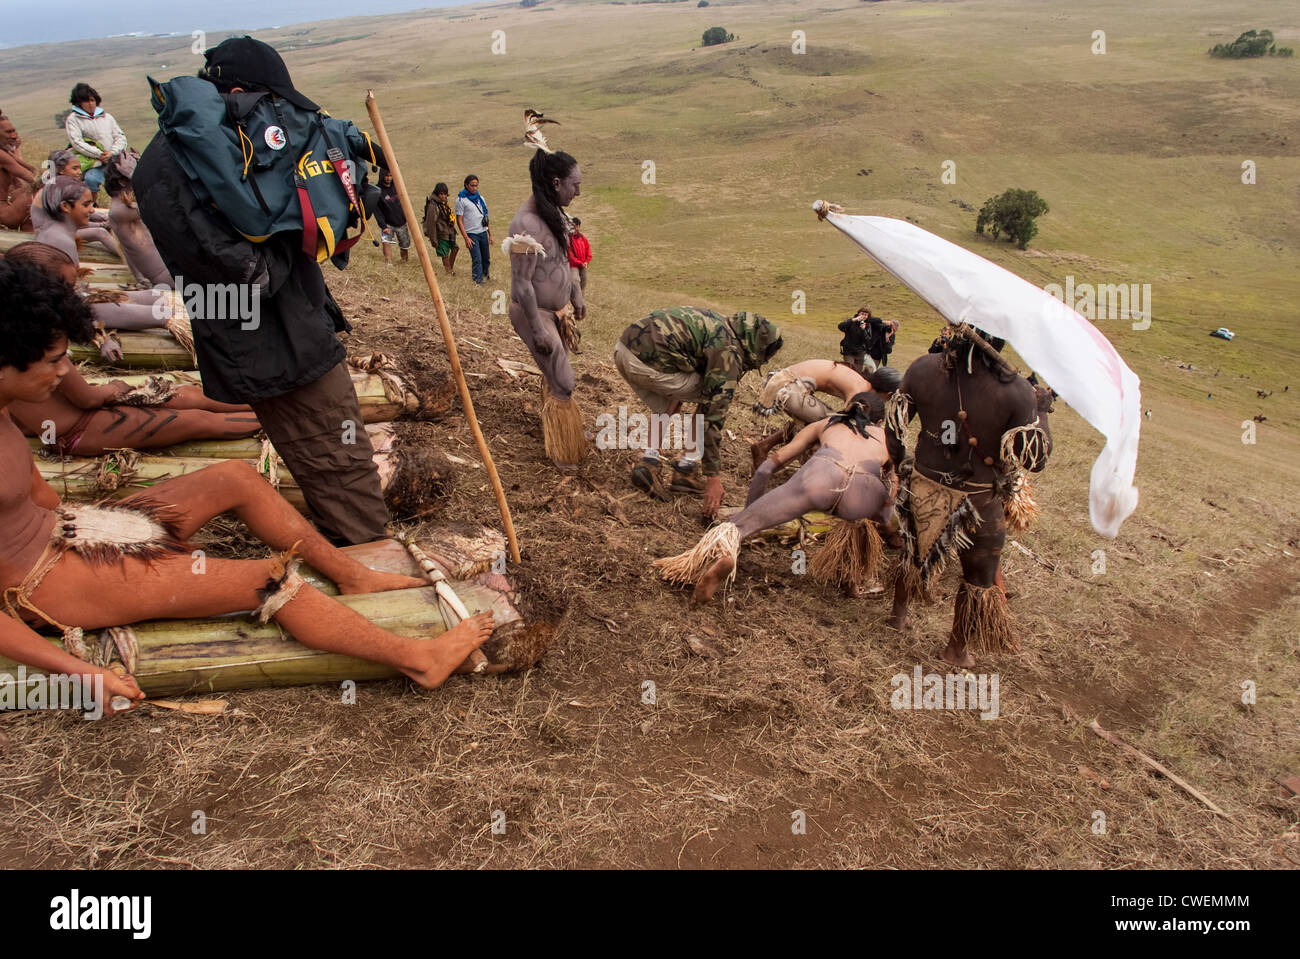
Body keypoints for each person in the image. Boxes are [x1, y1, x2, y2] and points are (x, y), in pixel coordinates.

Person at [0, 260, 495, 713]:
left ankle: (352, 574)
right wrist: (80, 673)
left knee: (234, 478)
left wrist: (119, 529)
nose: (67, 372)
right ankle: (418, 660)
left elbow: (40, 499)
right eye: (53, 360)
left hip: (68, 530)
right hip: (45, 581)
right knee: (268, 581)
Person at [136, 36, 393, 546]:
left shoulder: (218, 147)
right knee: (337, 459)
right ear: (235, 92)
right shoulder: (175, 167)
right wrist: (304, 233)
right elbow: (249, 274)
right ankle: (369, 564)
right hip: (269, 342)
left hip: (290, 329)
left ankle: (354, 542)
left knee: (336, 453)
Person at [884, 326, 1053, 668]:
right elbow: (1035, 460)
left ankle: (898, 617)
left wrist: (902, 462)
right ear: (1000, 343)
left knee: (915, 549)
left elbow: (894, 425)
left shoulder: (923, 369)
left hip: (925, 484)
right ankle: (956, 650)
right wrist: (1043, 410)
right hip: (978, 499)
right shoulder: (1019, 393)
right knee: (979, 576)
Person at [3, 242, 256, 454]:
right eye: (67, 288)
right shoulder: (34, 347)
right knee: (198, 421)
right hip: (78, 429)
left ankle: (269, 408)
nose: (75, 294)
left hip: (83, 414)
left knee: (189, 395)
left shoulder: (26, 334)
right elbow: (87, 399)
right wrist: (115, 388)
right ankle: (274, 426)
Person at [656, 393, 894, 605]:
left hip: (821, 477)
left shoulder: (826, 424)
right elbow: (892, 488)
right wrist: (884, 518)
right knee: (863, 524)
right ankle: (854, 584)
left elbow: (765, 470)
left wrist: (752, 511)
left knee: (736, 528)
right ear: (880, 422)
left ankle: (717, 556)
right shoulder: (886, 438)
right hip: (864, 490)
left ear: (847, 408)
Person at [616, 306, 782, 516]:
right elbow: (713, 416)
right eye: (765, 356)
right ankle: (686, 467)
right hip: (646, 364)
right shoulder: (729, 351)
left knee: (682, 388)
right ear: (758, 346)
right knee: (711, 395)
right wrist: (713, 478)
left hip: (622, 350)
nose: (764, 361)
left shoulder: (720, 323)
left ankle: (650, 459)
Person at [504, 148, 586, 469]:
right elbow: (521, 285)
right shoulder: (525, 225)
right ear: (556, 182)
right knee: (564, 382)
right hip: (533, 311)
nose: (578, 192)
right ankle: (562, 451)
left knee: (557, 376)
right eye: (574, 185)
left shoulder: (556, 214)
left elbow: (564, 259)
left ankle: (563, 434)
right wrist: (538, 330)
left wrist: (575, 296)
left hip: (555, 311)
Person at [750, 360, 901, 465]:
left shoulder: (861, 382)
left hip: (785, 382)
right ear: (887, 394)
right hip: (788, 388)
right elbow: (848, 421)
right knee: (828, 425)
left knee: (817, 423)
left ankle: (765, 446)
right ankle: (795, 460)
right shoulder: (860, 389)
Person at [103, 152, 172, 289]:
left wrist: (139, 277)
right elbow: (163, 204)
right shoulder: (119, 211)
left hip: (169, 272)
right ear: (123, 180)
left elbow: (128, 249)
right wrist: (135, 174)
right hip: (167, 276)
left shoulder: (125, 208)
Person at [32, 176, 121, 263]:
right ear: (65, 206)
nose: (92, 210)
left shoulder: (54, 192)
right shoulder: (62, 241)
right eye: (86, 205)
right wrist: (103, 224)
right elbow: (69, 276)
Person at [64, 83, 128, 198]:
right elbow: (77, 142)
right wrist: (99, 155)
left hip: (114, 158)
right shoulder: (73, 120)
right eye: (86, 101)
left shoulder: (107, 117)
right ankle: (93, 204)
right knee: (91, 179)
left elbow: (120, 137)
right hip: (93, 162)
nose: (90, 104)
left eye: (92, 100)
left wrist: (112, 153)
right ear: (79, 103)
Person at [0, 114, 37, 231]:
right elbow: (30, 178)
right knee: (33, 200)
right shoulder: (1, 155)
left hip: (6, 204)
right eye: (8, 132)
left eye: (14, 131)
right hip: (2, 210)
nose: (14, 136)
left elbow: (31, 170)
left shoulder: (5, 152)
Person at [456, 174, 492, 285]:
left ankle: (485, 276)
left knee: (486, 258)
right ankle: (478, 281)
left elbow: (485, 217)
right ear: (466, 185)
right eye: (472, 185)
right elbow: (459, 220)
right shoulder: (461, 200)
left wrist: (490, 234)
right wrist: (466, 237)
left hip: (482, 231)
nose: (474, 188)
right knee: (477, 259)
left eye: (476, 185)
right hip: (471, 234)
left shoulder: (481, 198)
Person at [374, 169, 409, 266]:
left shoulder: (397, 187)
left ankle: (404, 263)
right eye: (386, 176)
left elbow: (405, 203)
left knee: (405, 246)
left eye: (390, 175)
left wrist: (408, 218)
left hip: (401, 222)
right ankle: (389, 264)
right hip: (387, 224)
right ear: (382, 176)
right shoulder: (378, 191)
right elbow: (377, 211)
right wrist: (383, 226)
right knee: (386, 242)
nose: (389, 178)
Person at [423, 182, 458, 275]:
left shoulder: (444, 204)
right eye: (441, 194)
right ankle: (449, 272)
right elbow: (431, 223)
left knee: (455, 249)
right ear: (437, 194)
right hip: (440, 233)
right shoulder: (433, 205)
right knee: (444, 253)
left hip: (449, 232)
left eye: (445, 194)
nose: (443, 196)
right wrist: (433, 239)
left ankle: (450, 269)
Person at [837, 307, 875, 374]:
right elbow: (840, 326)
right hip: (848, 351)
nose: (863, 316)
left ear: (868, 316)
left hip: (860, 352)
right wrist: (853, 320)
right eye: (862, 313)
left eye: (866, 315)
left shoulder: (868, 325)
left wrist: (863, 330)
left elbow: (868, 341)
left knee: (857, 373)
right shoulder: (851, 322)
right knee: (849, 369)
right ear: (858, 313)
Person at [568, 217, 592, 292]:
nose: (573, 228)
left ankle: (580, 300)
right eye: (572, 225)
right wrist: (580, 263)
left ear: (578, 226)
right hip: (573, 266)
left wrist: (586, 262)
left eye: (575, 226)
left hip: (583, 264)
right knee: (575, 281)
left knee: (583, 282)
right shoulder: (568, 239)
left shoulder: (582, 237)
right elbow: (570, 255)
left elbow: (588, 250)